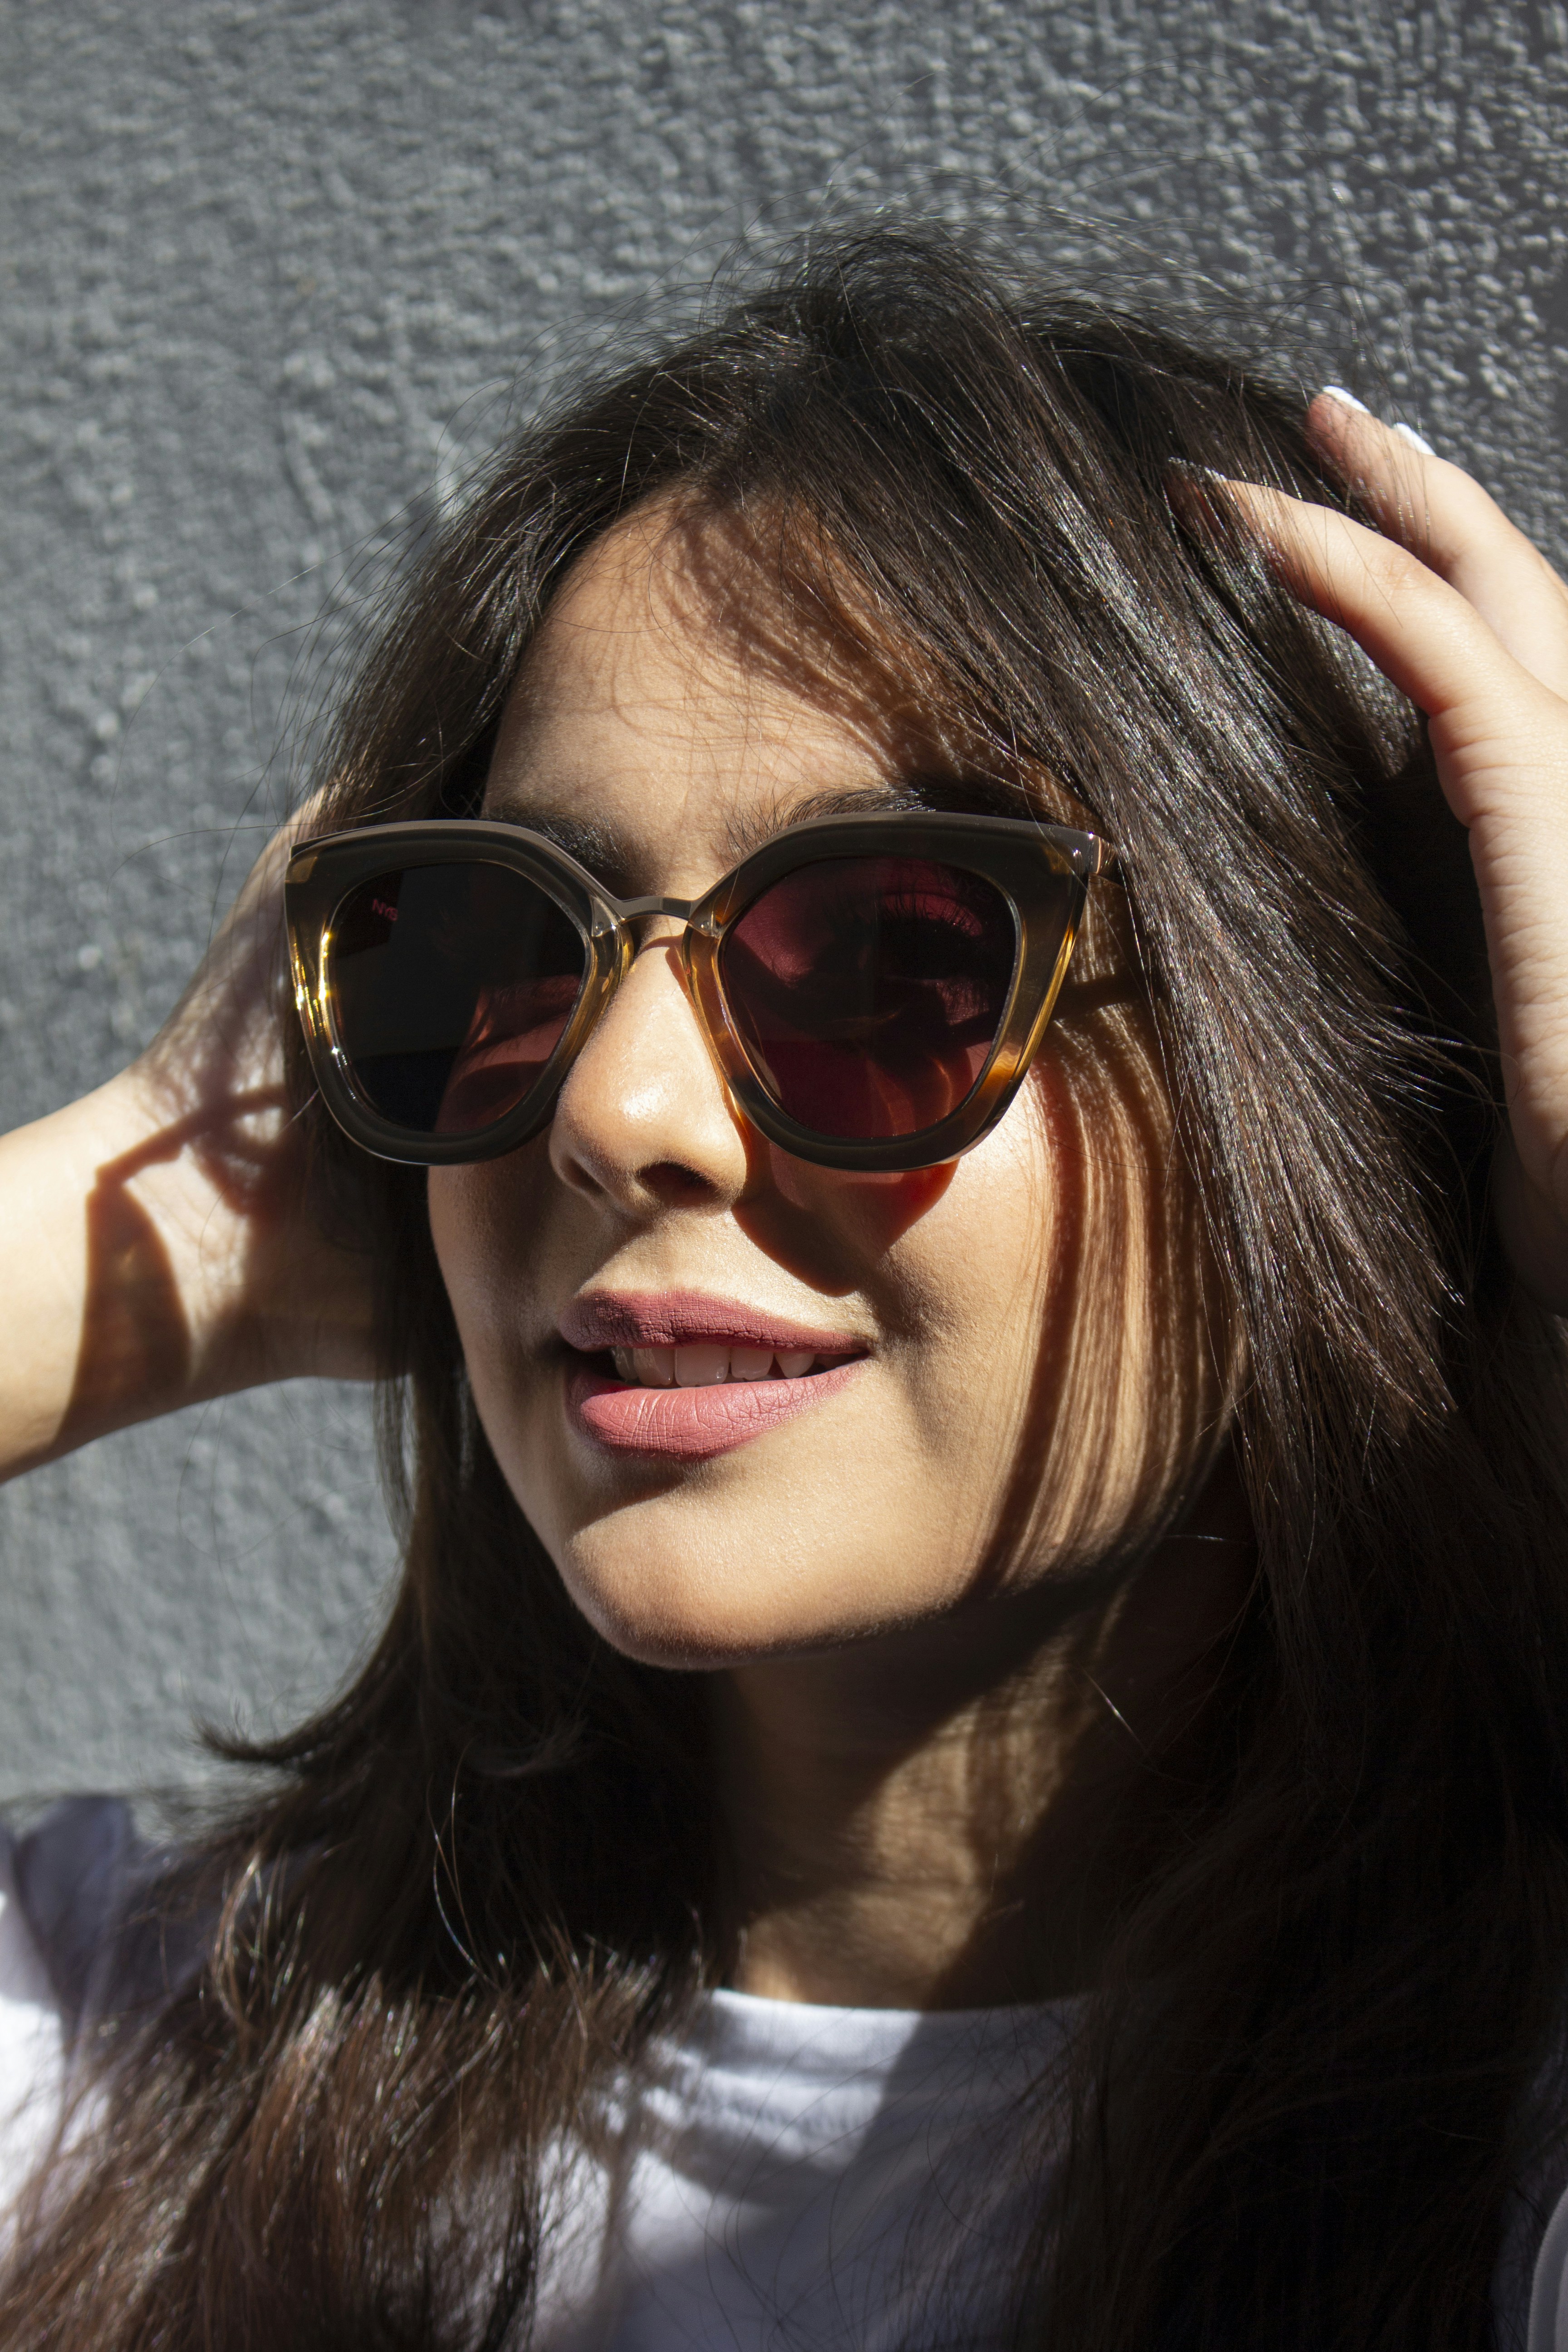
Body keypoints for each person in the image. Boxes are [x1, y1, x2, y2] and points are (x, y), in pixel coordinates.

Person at [0, 223, 1564, 2351]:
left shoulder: (1515, 2169)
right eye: (502, 948)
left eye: (902, 953)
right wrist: (159, 1240)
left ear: (1344, 1075)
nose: (615, 1110)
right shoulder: (133, 2066)